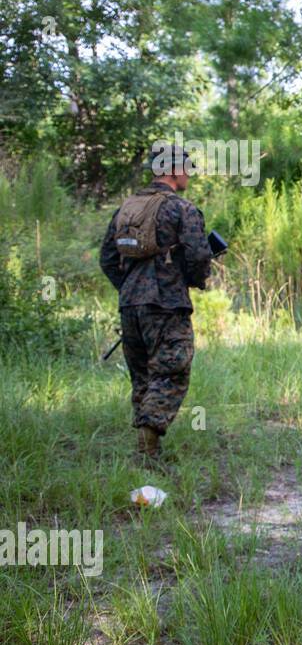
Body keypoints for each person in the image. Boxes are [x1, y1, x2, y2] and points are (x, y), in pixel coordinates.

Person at [99, 144, 212, 461]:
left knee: (143, 377)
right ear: (174, 170)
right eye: (187, 167)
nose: (189, 173)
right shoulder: (182, 209)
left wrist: (131, 290)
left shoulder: (126, 209)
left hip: (129, 306)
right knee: (171, 372)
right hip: (167, 304)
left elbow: (107, 259)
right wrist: (192, 281)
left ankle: (148, 451)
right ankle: (147, 452)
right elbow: (199, 255)